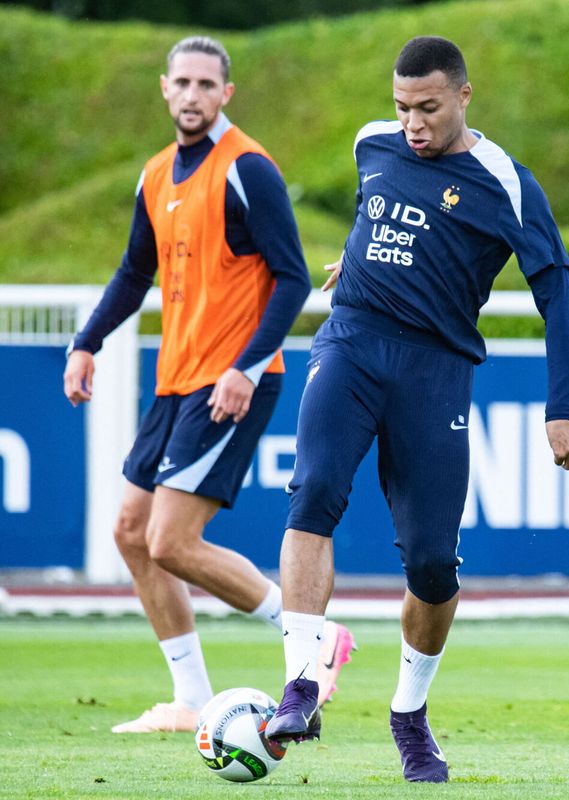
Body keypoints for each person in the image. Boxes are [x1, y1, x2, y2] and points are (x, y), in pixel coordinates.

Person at [263, 36, 569, 783]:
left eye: (429, 108)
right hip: (350, 343)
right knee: (313, 491)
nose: (411, 123)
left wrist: (560, 406)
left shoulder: (504, 181)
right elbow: (379, 213)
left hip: (435, 373)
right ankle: (300, 685)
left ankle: (408, 713)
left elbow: (556, 293)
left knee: (434, 565)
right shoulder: (370, 144)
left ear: (465, 97)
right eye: (403, 106)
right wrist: (359, 256)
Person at [62, 35, 354, 733]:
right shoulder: (156, 174)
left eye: (206, 84)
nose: (192, 95)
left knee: (170, 542)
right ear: (164, 88)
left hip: (233, 381)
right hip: (175, 382)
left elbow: (291, 278)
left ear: (227, 93)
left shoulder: (248, 168)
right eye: (182, 83)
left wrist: (244, 368)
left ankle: (316, 637)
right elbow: (137, 273)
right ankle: (190, 696)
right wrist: (86, 342)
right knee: (130, 533)